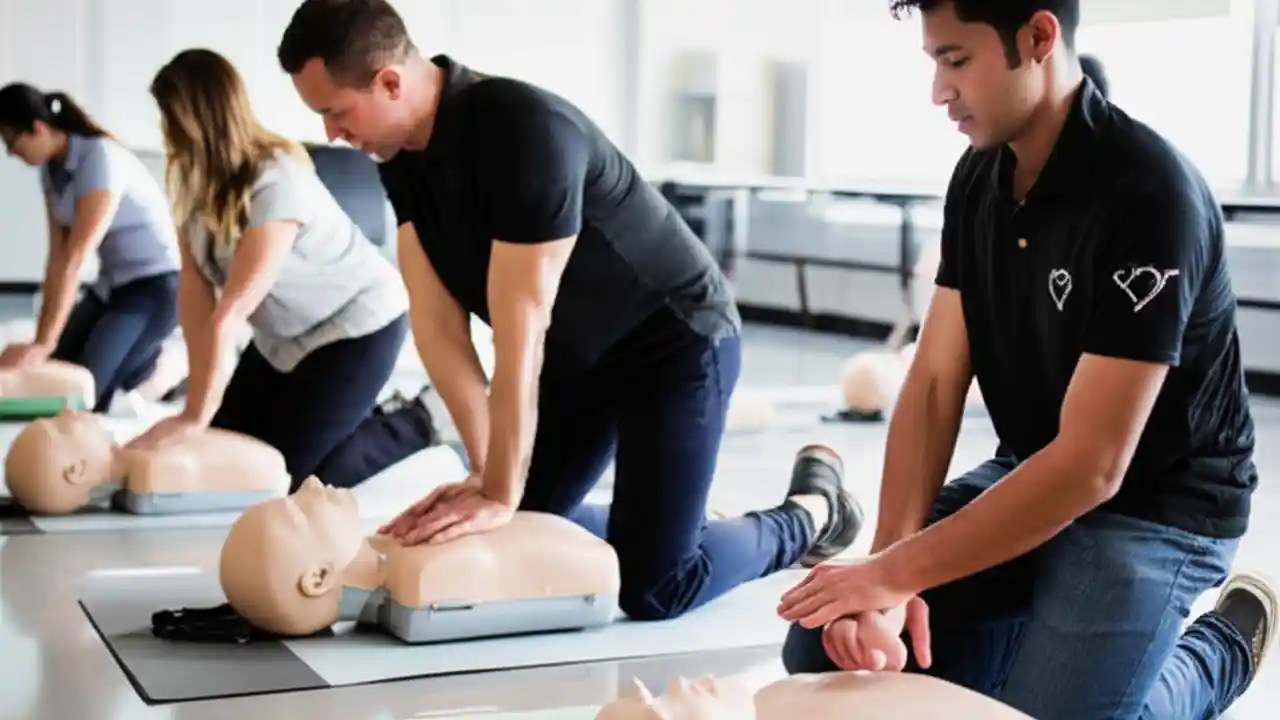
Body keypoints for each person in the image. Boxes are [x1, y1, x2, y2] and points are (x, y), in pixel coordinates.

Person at [275, 0, 862, 621]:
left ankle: (810, 514)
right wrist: (486, 478)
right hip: (578, 363)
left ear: (389, 82)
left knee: (654, 586)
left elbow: (520, 329)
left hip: (673, 343)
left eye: (335, 112)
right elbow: (439, 326)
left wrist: (502, 487)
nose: (332, 133)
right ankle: (671, 522)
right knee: (515, 528)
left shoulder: (521, 130)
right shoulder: (401, 161)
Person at [776, 2, 1276, 719]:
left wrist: (892, 573)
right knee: (824, 645)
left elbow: (1093, 466)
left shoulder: (1150, 194)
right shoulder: (977, 179)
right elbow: (935, 384)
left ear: (1039, 38)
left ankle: (1219, 649)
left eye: (956, 61)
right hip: (1031, 471)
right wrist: (885, 578)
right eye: (934, 62)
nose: (938, 92)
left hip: (1159, 507)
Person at [127, 48, 436, 491]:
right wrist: (197, 415)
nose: (167, 131)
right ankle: (345, 413)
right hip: (283, 335)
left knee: (290, 478)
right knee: (228, 451)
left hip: (355, 325)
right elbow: (196, 300)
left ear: (202, 118)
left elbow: (230, 312)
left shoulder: (277, 178)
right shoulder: (193, 186)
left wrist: (193, 415)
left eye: (172, 118)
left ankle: (417, 421)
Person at [0, 83, 181, 412]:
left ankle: (158, 365)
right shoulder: (50, 171)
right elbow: (57, 257)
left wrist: (43, 341)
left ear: (38, 129)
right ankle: (135, 356)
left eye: (11, 141)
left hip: (156, 286)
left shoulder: (100, 158)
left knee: (89, 390)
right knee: (57, 368)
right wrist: (43, 343)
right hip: (113, 285)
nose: (10, 152)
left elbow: (76, 258)